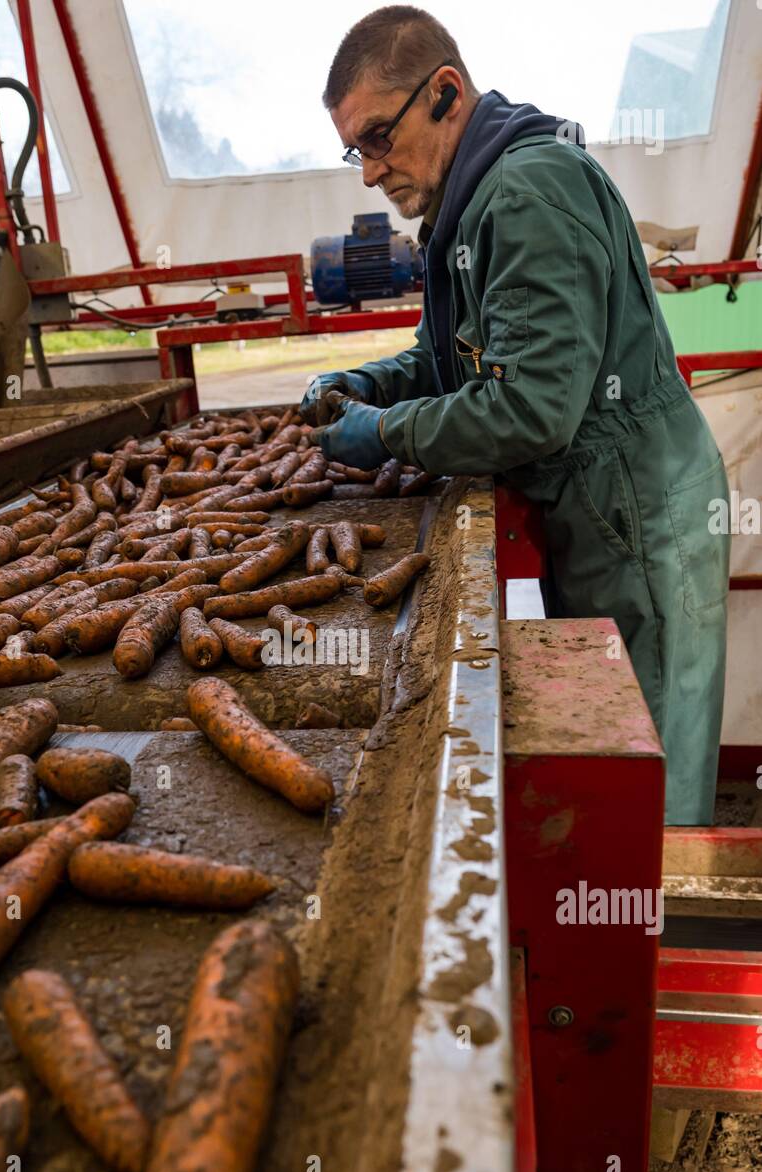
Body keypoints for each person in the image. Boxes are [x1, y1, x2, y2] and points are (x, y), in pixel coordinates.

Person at [302, 4, 730, 826]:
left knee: (651, 787)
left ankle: (662, 936)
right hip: (597, 509)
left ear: (445, 93)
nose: (367, 171)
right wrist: (366, 385)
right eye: (354, 149)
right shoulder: (467, 202)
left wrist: (384, 434)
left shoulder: (527, 193)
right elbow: (447, 359)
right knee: (609, 744)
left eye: (378, 138)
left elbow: (531, 410)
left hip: (642, 517)